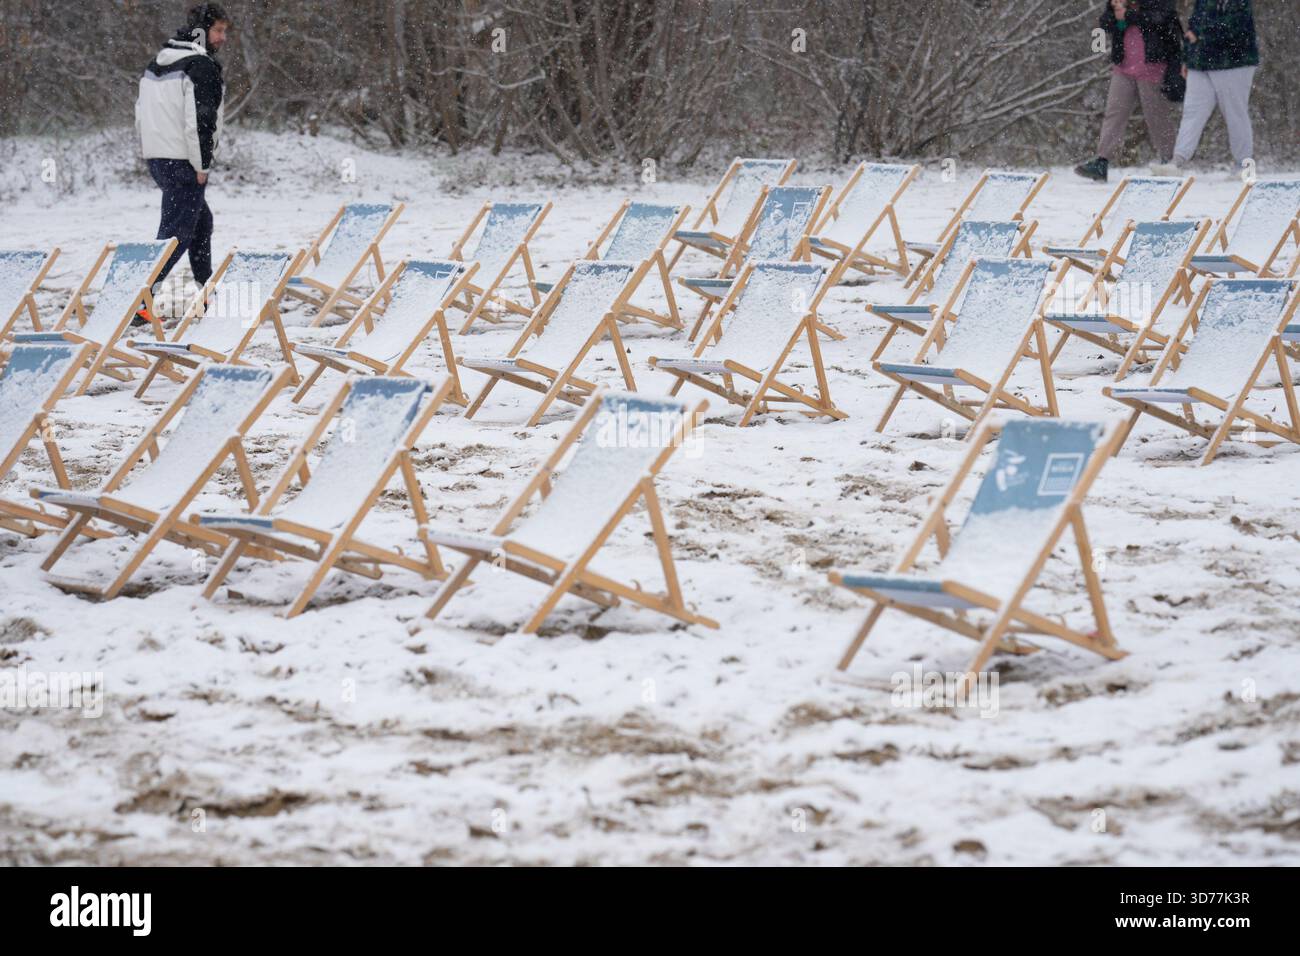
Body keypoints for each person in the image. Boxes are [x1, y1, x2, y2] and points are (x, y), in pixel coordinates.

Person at [134, 3, 230, 320]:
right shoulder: (200, 67)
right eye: (218, 30)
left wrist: (152, 152)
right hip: (185, 161)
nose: (222, 38)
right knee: (175, 236)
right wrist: (202, 166)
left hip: (159, 158)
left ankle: (207, 295)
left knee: (201, 224)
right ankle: (137, 306)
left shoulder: (158, 63)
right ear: (201, 31)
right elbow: (200, 123)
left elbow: (140, 114)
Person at [1075, 0, 1185, 182]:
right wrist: (1116, 15)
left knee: (1156, 116)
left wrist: (1128, 15)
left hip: (1153, 66)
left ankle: (1169, 160)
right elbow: (1105, 23)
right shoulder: (1119, 3)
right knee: (1114, 113)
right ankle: (1102, 160)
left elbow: (1159, 20)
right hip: (1124, 66)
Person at [1153, 0, 1259, 175]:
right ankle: (1177, 161)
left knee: (1235, 113)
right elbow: (1192, 29)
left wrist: (1202, 35)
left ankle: (1244, 164)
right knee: (1192, 112)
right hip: (1201, 63)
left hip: (1235, 63)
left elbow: (1236, 28)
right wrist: (1187, 57)